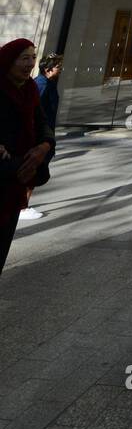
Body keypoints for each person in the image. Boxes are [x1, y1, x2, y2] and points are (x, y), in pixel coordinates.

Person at [0, 39, 55, 275]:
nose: (30, 63)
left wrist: (44, 147)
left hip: (16, 183)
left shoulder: (30, 89)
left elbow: (43, 124)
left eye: (33, 57)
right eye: (24, 58)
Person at [23, 53, 63, 223]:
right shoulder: (41, 85)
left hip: (44, 135)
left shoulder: (49, 84)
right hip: (38, 138)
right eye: (58, 67)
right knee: (32, 171)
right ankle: (22, 206)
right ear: (48, 69)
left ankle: (22, 205)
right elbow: (33, 114)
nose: (60, 70)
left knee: (34, 171)